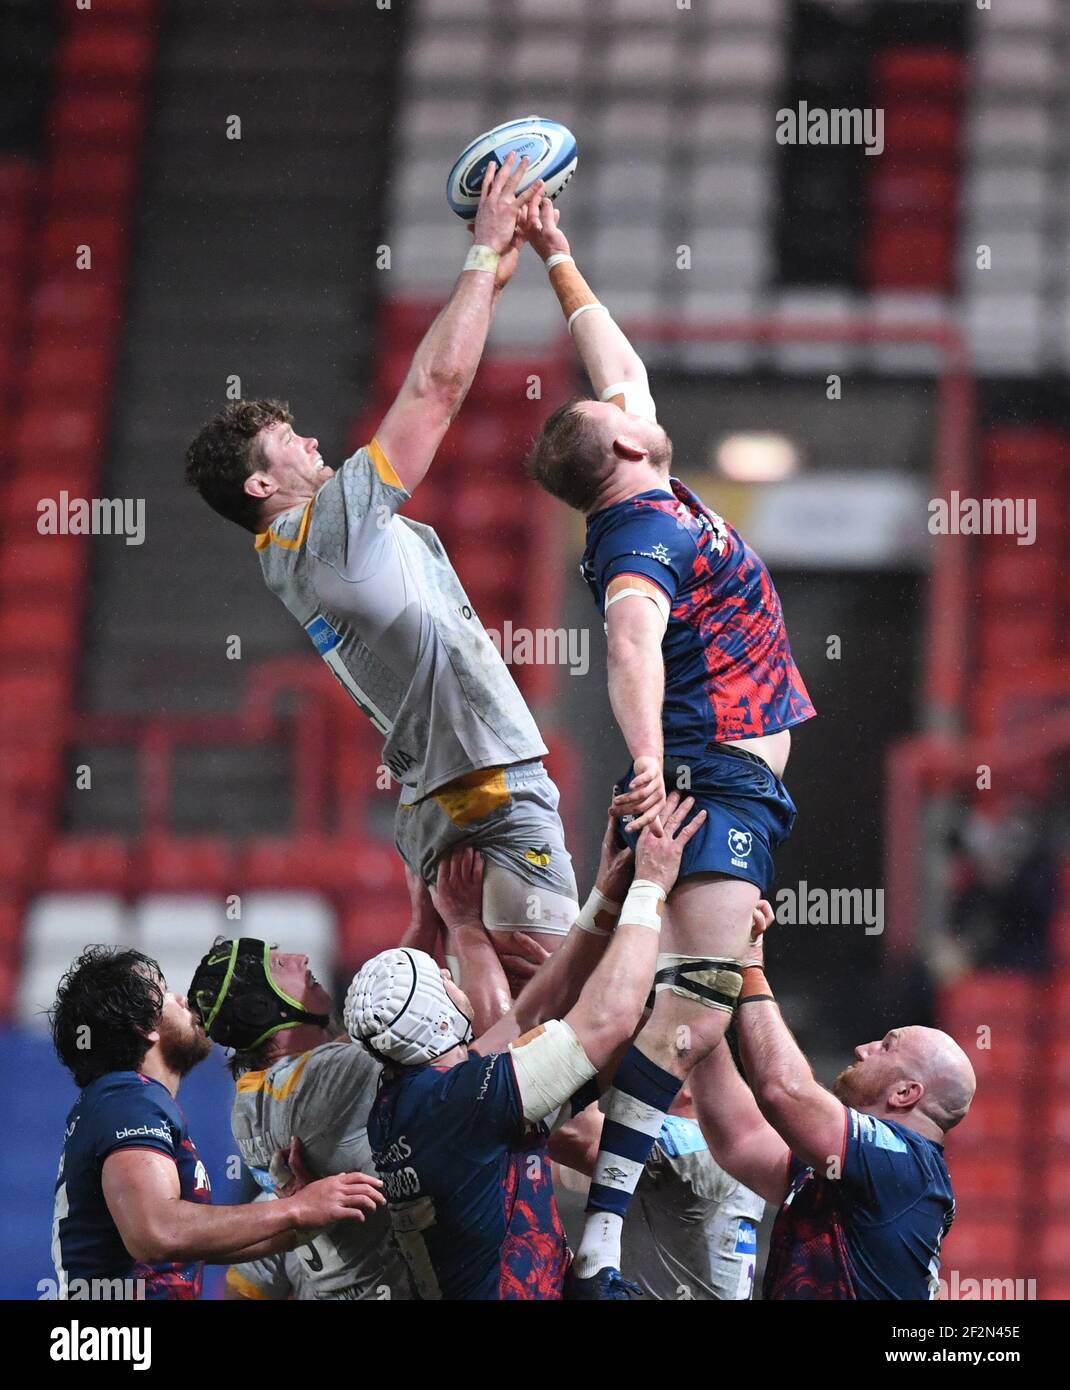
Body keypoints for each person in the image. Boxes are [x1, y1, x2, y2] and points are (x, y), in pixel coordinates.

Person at [521, 198, 816, 1296]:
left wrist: (556, 254)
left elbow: (616, 359)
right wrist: (644, 760)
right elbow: (630, 646)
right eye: (619, 410)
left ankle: (593, 1199)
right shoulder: (642, 532)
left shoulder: (640, 477)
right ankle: (599, 1236)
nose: (628, 398)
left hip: (731, 778)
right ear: (626, 445)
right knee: (687, 1015)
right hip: (708, 777)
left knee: (685, 1006)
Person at [183, 156, 577, 967]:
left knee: (501, 1011)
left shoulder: (286, 555)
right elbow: (434, 389)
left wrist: (494, 278)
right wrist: (481, 257)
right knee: (568, 1009)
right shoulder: (329, 531)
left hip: (440, 797)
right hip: (488, 784)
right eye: (291, 443)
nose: (315, 443)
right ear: (262, 482)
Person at [345, 793, 705, 1300]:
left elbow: (525, 1016)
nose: (454, 981)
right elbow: (611, 1018)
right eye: (443, 982)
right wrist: (650, 885)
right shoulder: (467, 1101)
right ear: (437, 1016)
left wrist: (604, 895)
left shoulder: (408, 1095)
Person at [49, 946, 383, 1300]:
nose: (181, 999)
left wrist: (301, 1219)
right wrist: (296, 1209)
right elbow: (157, 1232)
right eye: (164, 994)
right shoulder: (129, 1101)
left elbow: (194, 1244)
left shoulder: (120, 1102)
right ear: (144, 1027)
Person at [692, 921, 976, 1299]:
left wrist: (749, 967)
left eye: (886, 1047)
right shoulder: (860, 1170)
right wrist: (695, 1008)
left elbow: (783, 1090)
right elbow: (740, 1137)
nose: (863, 1049)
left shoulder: (904, 1164)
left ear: (906, 1092)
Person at [187, 938, 412, 1300]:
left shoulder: (253, 1099)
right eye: (278, 965)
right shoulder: (323, 1078)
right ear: (260, 1009)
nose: (301, 958)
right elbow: (422, 1025)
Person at [551, 1079, 766, 1301]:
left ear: (690, 1088)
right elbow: (554, 1166)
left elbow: (576, 1135)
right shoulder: (732, 1154)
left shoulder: (693, 1146)